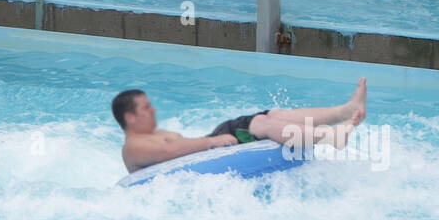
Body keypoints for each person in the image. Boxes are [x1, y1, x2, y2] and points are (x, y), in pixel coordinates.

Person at [113, 79, 366, 173]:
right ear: (130, 118)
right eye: (146, 108)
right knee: (264, 123)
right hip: (210, 149)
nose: (153, 109)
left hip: (209, 146)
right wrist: (212, 142)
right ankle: (331, 136)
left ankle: (343, 112)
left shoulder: (154, 135)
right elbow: (169, 154)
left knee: (275, 115)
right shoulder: (133, 147)